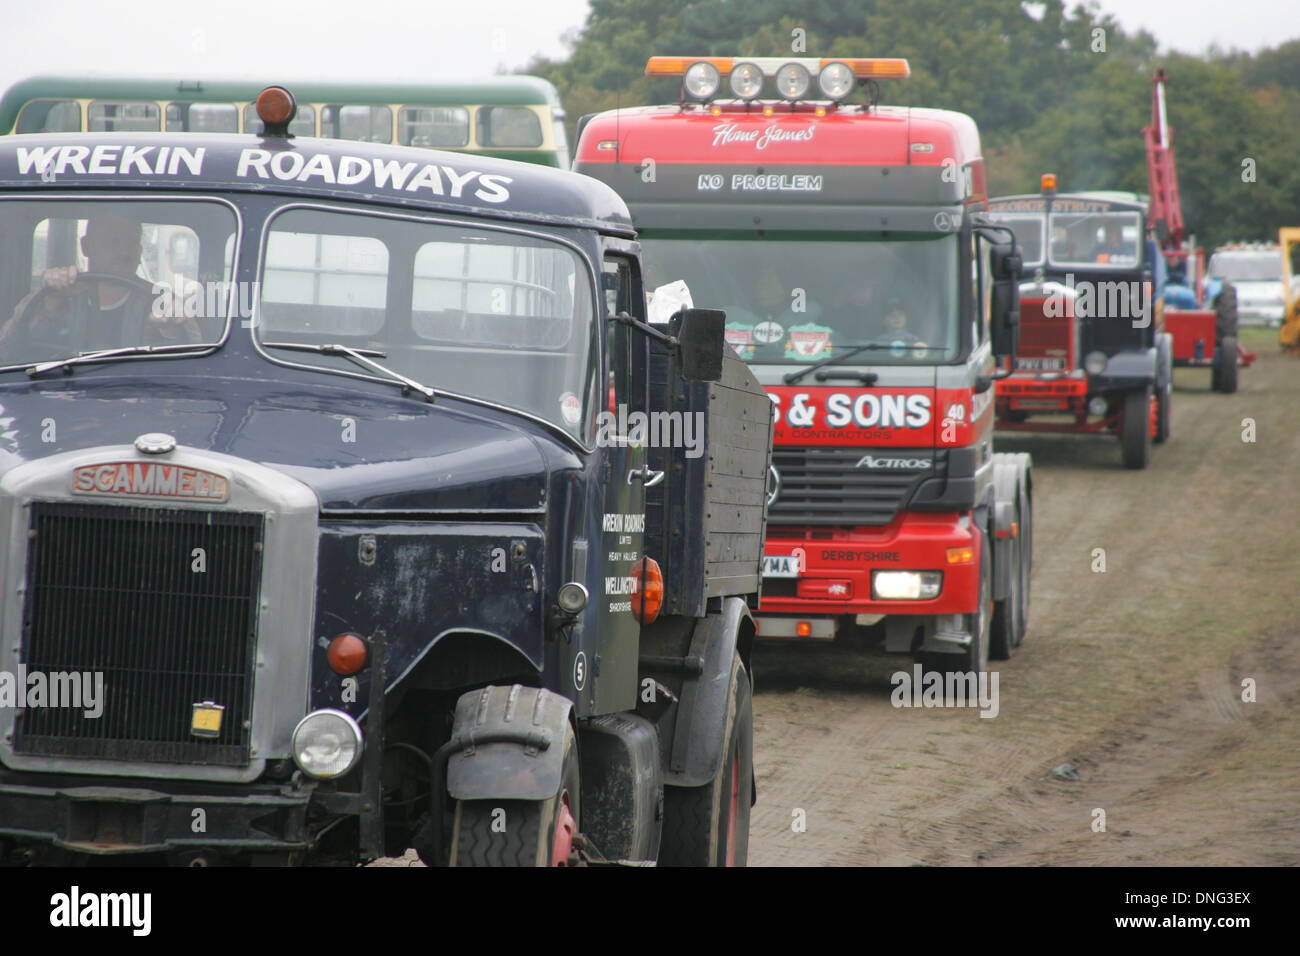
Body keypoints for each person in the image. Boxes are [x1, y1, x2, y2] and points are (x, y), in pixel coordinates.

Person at [0, 211, 200, 359]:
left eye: (132, 242)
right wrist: (51, 304)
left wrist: (172, 330)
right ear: (86, 246)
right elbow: (9, 352)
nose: (125, 252)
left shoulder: (160, 301)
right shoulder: (56, 295)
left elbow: (194, 359)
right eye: (113, 241)